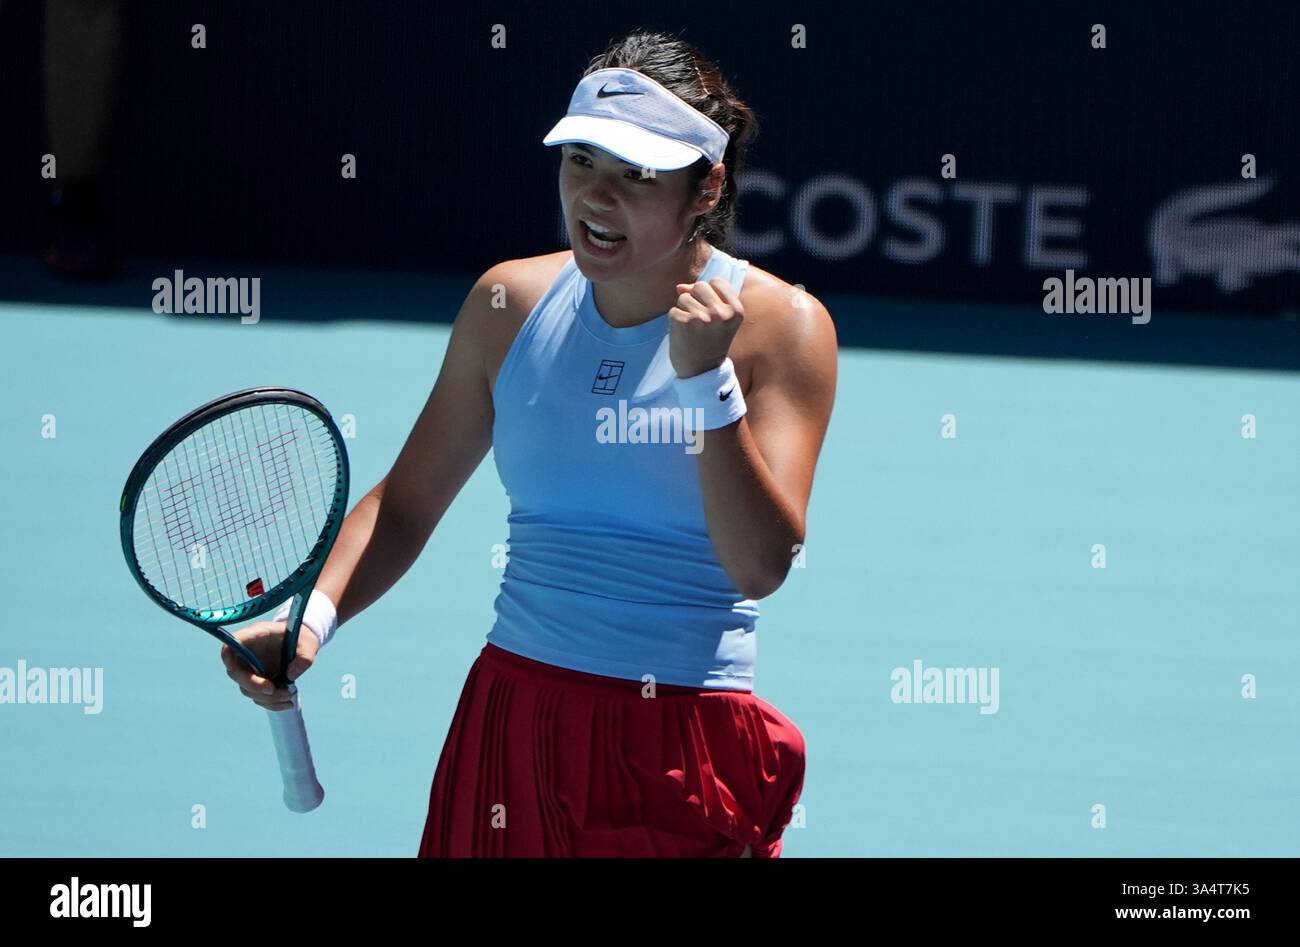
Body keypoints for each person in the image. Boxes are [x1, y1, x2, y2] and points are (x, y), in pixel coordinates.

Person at [221, 31, 838, 857]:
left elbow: (760, 565)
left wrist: (705, 384)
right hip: (512, 724)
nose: (597, 196)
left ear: (708, 185)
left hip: (680, 736)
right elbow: (405, 505)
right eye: (581, 160)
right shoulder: (506, 303)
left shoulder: (784, 327)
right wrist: (314, 620)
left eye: (638, 174)